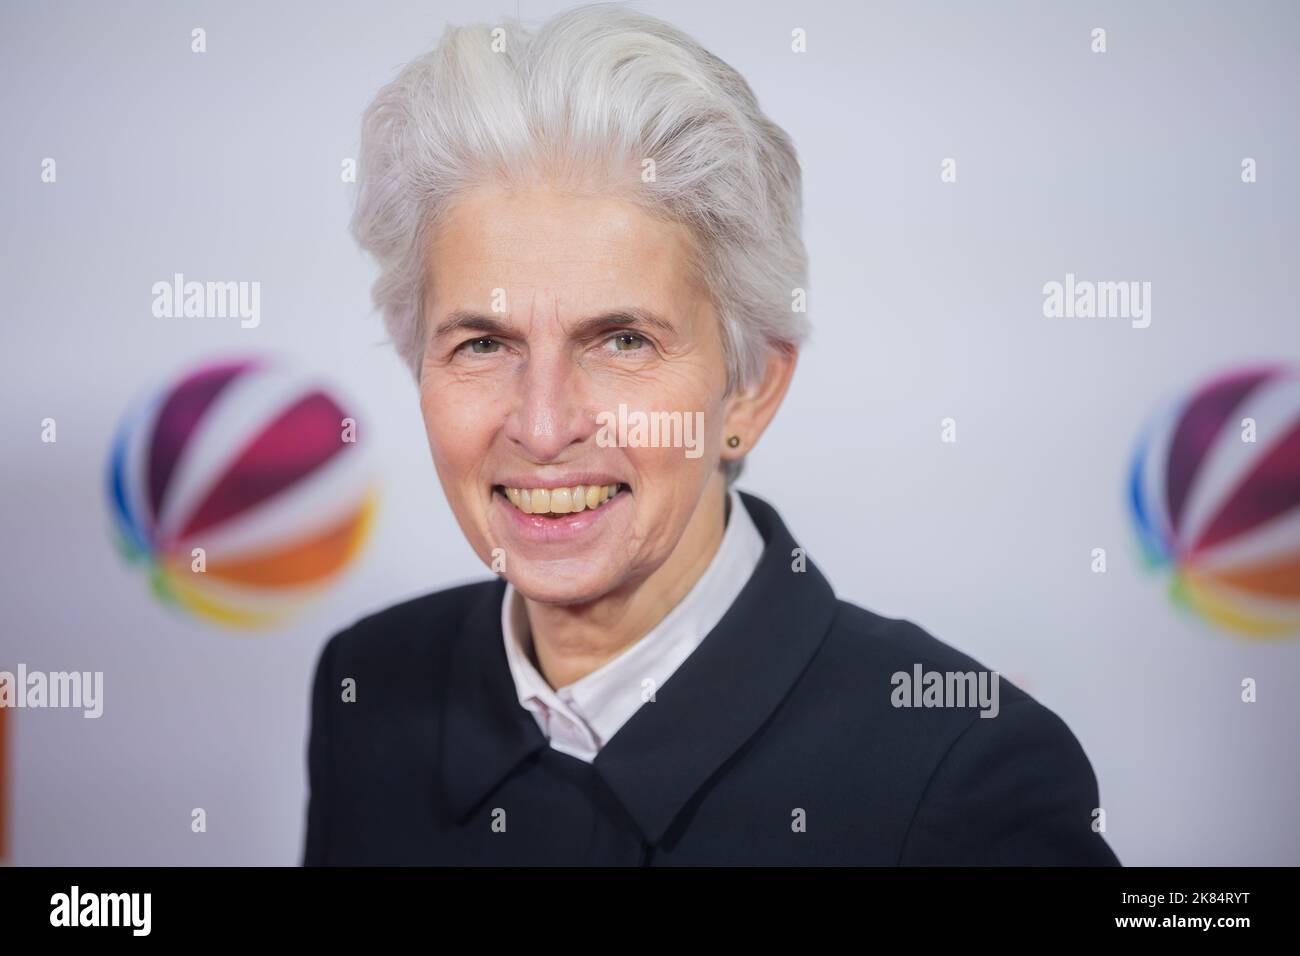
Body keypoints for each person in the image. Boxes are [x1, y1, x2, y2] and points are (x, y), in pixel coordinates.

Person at [303, 3, 1119, 866]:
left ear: (751, 390)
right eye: (483, 343)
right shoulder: (371, 686)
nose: (543, 428)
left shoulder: (964, 776)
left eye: (622, 341)